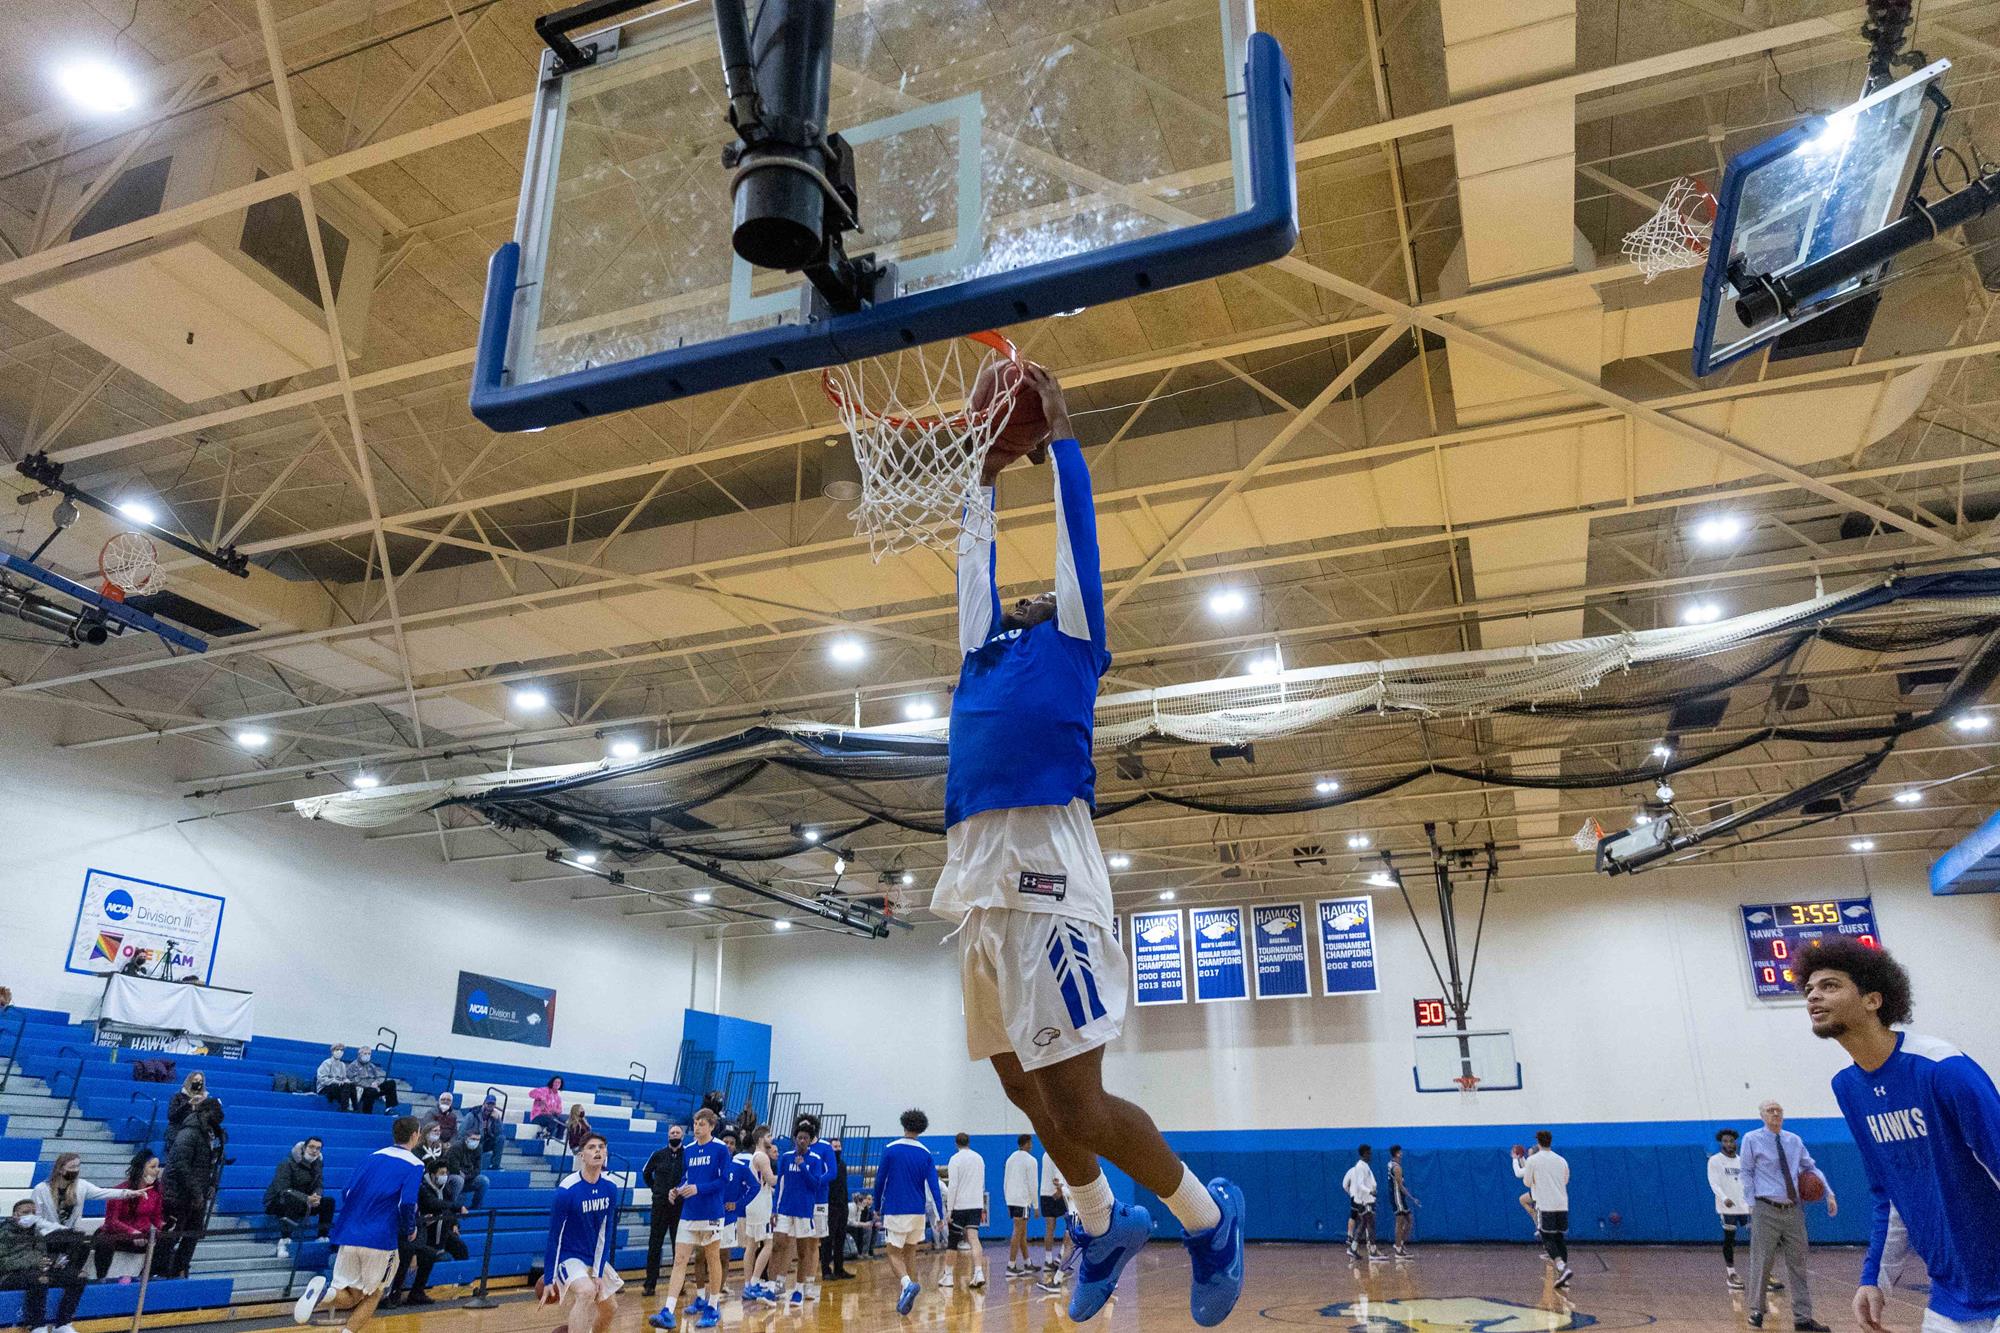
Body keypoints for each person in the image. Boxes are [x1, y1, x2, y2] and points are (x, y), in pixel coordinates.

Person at [931, 363, 1244, 1327]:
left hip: (1051, 883)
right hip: (978, 892)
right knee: (1026, 1091)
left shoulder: (1072, 643)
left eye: (1040, 592)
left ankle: (1206, 1218)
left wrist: (1056, 434)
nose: (1022, 594)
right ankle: (1101, 1222)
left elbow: (1077, 540)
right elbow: (971, 555)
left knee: (1081, 1106)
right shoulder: (980, 647)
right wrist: (981, 468)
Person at [1799, 936, 2000, 1333]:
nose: (1813, 997)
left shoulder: (1943, 1069)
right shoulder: (1847, 1087)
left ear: (1873, 1000)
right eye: (1809, 989)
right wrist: (1875, 1279)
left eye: (1830, 985)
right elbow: (1888, 1192)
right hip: (1949, 1293)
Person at [292, 1116, 424, 1333]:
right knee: (375, 1294)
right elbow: (407, 1202)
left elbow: (348, 1192)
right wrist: (410, 1229)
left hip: (350, 1234)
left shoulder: (372, 1157)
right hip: (380, 1239)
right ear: (415, 1135)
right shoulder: (415, 1164)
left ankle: (322, 1295)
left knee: (352, 1296)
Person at [1740, 1099, 1837, 1330]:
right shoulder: (1751, 1139)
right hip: (1766, 1207)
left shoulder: (1794, 1140)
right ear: (1762, 1115)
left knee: (1799, 1264)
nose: (1776, 1114)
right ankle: (1756, 1310)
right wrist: (1751, 1204)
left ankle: (1803, 1318)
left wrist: (1829, 1193)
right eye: (1771, 1111)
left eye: (1779, 1111)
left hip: (1793, 1209)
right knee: (1762, 1262)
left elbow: (1810, 1168)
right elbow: (1746, 1172)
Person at [648, 1109, 727, 1331]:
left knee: (712, 1258)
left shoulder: (720, 1149)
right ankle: (668, 1311)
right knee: (680, 1259)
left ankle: (713, 1306)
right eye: (695, 1123)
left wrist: (699, 1188)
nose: (697, 1127)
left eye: (702, 1123)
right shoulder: (689, 1150)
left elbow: (723, 1181)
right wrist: (677, 1190)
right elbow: (686, 1178)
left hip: (711, 1212)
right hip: (689, 1213)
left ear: (711, 1126)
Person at [537, 1132, 622, 1333]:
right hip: (569, 1257)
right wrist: (549, 1278)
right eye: (592, 1147)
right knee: (586, 1292)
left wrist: (599, 1272)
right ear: (581, 1155)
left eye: (601, 1147)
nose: (597, 1151)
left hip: (593, 1257)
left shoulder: (610, 1188)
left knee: (610, 1308)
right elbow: (554, 1237)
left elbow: (605, 1231)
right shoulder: (567, 1190)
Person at [873, 1109, 946, 1317]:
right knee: (910, 1253)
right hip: (918, 1212)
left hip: (896, 1209)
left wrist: (877, 1206)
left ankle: (907, 1285)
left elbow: (880, 1180)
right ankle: (906, 1299)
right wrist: (939, 1215)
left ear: (903, 1124)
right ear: (921, 1128)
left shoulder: (891, 1149)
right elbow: (934, 1186)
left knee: (893, 1253)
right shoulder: (925, 1153)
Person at [32, 1152, 142, 1272]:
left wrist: (128, 1193)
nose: (76, 1170)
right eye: (72, 1167)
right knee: (77, 1241)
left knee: (83, 1245)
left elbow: (103, 1192)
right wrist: (57, 1228)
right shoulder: (41, 1189)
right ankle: (67, 1273)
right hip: (48, 1234)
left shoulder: (81, 1186)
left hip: (71, 1234)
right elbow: (36, 1218)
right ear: (60, 1169)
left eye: (78, 1166)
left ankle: (71, 1273)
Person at [766, 1116, 832, 1311]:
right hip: (785, 1209)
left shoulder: (815, 1159)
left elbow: (815, 1184)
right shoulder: (785, 1157)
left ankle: (799, 1289)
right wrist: (774, 1209)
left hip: (804, 1211)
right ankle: (773, 1287)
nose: (801, 1140)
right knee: (778, 1245)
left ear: (810, 1140)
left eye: (805, 1138)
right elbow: (780, 1185)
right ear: (795, 1138)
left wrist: (803, 1166)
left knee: (803, 1252)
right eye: (799, 1137)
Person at [160, 1095, 223, 1280]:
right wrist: (196, 1192)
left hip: (197, 1195)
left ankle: (180, 1269)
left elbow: (212, 1164)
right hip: (178, 1194)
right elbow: (181, 1165)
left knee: (193, 1235)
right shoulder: (189, 1132)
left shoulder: (210, 1135)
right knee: (172, 1237)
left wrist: (212, 1184)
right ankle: (161, 1272)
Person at [389, 1161, 468, 1307]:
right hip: (402, 1236)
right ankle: (393, 1295)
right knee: (409, 1251)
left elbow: (444, 1208)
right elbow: (431, 1204)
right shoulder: (418, 1190)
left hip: (423, 1231)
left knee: (433, 1253)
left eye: (446, 1173)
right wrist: (457, 1207)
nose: (445, 1176)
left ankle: (417, 1293)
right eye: (441, 1173)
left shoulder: (445, 1189)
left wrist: (455, 1223)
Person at [2, 1197, 86, 1333]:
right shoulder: (4, 1233)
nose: (31, 1215)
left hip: (37, 1271)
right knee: (40, 1279)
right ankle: (36, 1326)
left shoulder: (37, 1233)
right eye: (26, 1212)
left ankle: (63, 1323)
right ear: (15, 1214)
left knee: (79, 1276)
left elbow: (41, 1256)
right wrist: (34, 1262)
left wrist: (52, 1262)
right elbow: (3, 1263)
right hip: (10, 1275)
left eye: (34, 1212)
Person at [1515, 1132, 1572, 1289]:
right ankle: (1564, 1277)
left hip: (1545, 1205)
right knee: (1560, 1239)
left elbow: (1527, 1183)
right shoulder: (1561, 1160)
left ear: (1538, 1142)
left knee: (1546, 1237)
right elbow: (1566, 1180)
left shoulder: (1533, 1161)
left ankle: (1562, 1267)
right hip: (1562, 1204)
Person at [94, 1152, 163, 1280]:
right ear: (141, 1169)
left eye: (158, 1167)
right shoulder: (120, 1191)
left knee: (166, 1244)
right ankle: (101, 1278)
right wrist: (131, 1232)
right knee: (104, 1241)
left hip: (143, 1235)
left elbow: (156, 1218)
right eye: (153, 1167)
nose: (157, 1170)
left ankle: (145, 1279)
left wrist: (161, 1227)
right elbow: (111, 1221)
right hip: (120, 1235)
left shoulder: (156, 1193)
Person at [265, 1138, 336, 1258]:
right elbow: (282, 1189)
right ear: (304, 1148)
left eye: (318, 1148)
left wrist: (316, 1196)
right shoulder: (287, 1163)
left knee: (329, 1202)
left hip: (303, 1201)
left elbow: (319, 1184)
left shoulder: (318, 1164)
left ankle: (322, 1237)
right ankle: (284, 1241)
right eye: (311, 1147)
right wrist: (306, 1198)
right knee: (290, 1198)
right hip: (278, 1202)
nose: (314, 1151)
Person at [642, 1123, 687, 1297]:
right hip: (660, 1206)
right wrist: (657, 1190)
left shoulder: (687, 1156)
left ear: (682, 1136)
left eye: (677, 1132)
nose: (674, 1134)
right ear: (668, 1136)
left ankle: (679, 1284)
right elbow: (646, 1173)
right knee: (655, 1244)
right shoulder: (658, 1155)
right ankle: (650, 1284)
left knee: (680, 1247)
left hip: (680, 1206)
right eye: (672, 1132)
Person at [941, 1132, 986, 1291]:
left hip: (960, 1205)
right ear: (969, 1142)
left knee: (953, 1240)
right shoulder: (979, 1158)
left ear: (956, 1143)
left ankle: (948, 1276)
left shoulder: (955, 1160)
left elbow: (952, 1186)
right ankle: (979, 1272)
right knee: (974, 1238)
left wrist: (949, 1210)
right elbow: (981, 1182)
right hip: (976, 1203)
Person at [1708, 1128, 1750, 1289]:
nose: (1729, 1144)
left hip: (1745, 1206)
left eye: (1731, 1141)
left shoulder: (1742, 1161)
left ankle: (1765, 1274)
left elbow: (1747, 1182)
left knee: (1757, 1239)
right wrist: (1724, 1198)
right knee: (1730, 1239)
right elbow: (1714, 1183)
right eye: (1725, 1141)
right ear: (1721, 1143)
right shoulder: (1715, 1161)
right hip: (1727, 1208)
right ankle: (1731, 1273)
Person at [737, 1128, 777, 1298]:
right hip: (761, 1204)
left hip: (753, 1204)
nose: (771, 1138)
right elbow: (772, 1180)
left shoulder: (755, 1156)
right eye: (768, 1136)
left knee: (751, 1245)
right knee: (768, 1244)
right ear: (761, 1139)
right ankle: (754, 1282)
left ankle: (748, 1284)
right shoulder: (762, 1157)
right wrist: (788, 1175)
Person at [1003, 1134, 1037, 1278]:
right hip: (1022, 1200)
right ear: (1027, 1144)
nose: (1032, 1145)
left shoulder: (1010, 1158)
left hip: (1012, 1199)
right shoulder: (1031, 1160)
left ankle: (1027, 1263)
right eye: (1031, 1143)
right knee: (1018, 1231)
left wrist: (1007, 1200)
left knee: (1022, 1232)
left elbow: (1005, 1180)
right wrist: (1035, 1205)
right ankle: (1011, 1265)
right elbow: (1033, 1184)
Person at [821, 1138, 853, 1281]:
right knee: (828, 1238)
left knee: (841, 1237)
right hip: (830, 1205)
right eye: (835, 1146)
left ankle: (839, 1268)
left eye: (839, 1146)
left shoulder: (843, 1165)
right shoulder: (825, 1164)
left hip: (842, 1205)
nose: (838, 1149)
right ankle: (826, 1270)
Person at [1341, 1144, 1380, 1261]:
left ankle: (1353, 1248)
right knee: (1370, 1224)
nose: (1370, 1155)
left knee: (1363, 1224)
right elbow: (1360, 1184)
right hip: (1365, 1200)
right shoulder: (1360, 1167)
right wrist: (1370, 1192)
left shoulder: (1364, 1166)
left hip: (1366, 1200)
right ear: (1364, 1154)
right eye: (1369, 1153)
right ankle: (1373, 1251)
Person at [1037, 1147, 1068, 1280]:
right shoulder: (1057, 1151)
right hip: (1057, 1192)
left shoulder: (1045, 1154)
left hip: (1045, 1193)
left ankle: (1048, 1260)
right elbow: (1057, 1173)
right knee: (1070, 1225)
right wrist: (1060, 1189)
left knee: (1049, 1228)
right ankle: (1061, 1255)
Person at [444, 1128, 487, 1211]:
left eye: (478, 1139)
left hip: (467, 1177)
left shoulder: (478, 1149)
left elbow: (478, 1169)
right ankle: (452, 1207)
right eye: (473, 1139)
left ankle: (476, 1208)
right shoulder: (456, 1147)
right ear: (466, 1138)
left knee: (484, 1181)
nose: (476, 1141)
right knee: (459, 1179)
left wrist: (467, 1175)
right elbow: (454, 1168)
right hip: (453, 1177)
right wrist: (466, 1174)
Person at [1388, 1145, 1418, 1259]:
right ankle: (1398, 1248)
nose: (1402, 1153)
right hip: (1398, 1198)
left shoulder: (1391, 1164)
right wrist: (1412, 1198)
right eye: (1400, 1152)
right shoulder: (1396, 1168)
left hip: (1399, 1197)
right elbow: (1401, 1186)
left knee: (1409, 1220)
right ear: (1397, 1153)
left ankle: (1400, 1244)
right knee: (1400, 1223)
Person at [349, 1046, 397, 1115]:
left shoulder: (371, 1066)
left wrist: (376, 1083)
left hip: (374, 1087)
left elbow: (378, 1077)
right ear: (359, 1054)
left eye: (369, 1054)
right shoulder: (353, 1066)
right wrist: (370, 1085)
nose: (367, 1055)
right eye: (365, 1053)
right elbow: (355, 1080)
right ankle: (367, 1113)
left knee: (391, 1083)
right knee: (370, 1091)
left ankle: (389, 1108)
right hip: (361, 1089)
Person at [462, 1095, 504, 1169]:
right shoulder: (473, 1114)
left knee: (501, 1138)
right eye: (488, 1104)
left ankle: (495, 1165)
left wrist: (497, 1120)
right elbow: (463, 1130)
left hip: (486, 1141)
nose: (490, 1106)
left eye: (492, 1104)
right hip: (473, 1140)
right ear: (484, 1103)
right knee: (479, 1142)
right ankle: (477, 1167)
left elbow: (499, 1132)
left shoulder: (495, 1116)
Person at [316, 1044, 358, 1113]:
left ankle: (355, 1108)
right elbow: (321, 1078)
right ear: (332, 1051)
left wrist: (346, 1080)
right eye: (337, 1050)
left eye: (341, 1050)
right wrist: (335, 1081)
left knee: (351, 1085)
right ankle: (344, 1108)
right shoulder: (326, 1063)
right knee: (344, 1086)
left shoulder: (342, 1065)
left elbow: (343, 1078)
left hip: (338, 1086)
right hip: (325, 1087)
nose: (339, 1052)